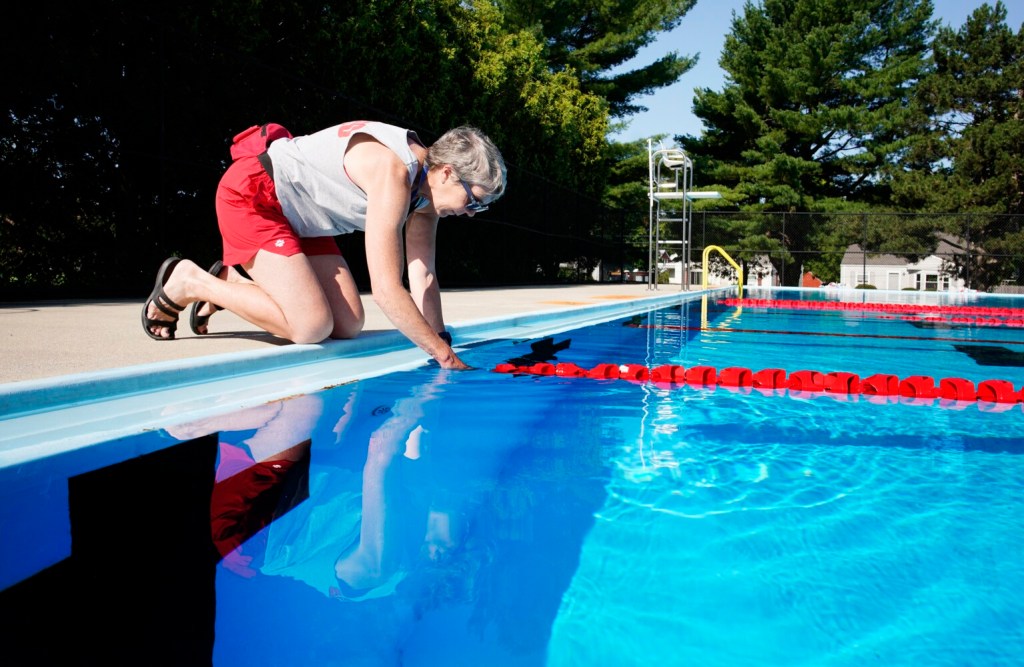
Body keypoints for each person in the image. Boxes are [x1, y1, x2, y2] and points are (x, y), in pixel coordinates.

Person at [141, 121, 507, 370]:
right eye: (473, 201)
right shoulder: (393, 171)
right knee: (311, 326)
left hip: (303, 220)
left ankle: (231, 281)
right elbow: (386, 290)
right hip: (255, 194)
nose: (471, 213)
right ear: (447, 173)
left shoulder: (426, 199)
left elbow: (422, 275)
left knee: (347, 325)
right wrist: (445, 358)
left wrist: (441, 341)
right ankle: (193, 281)